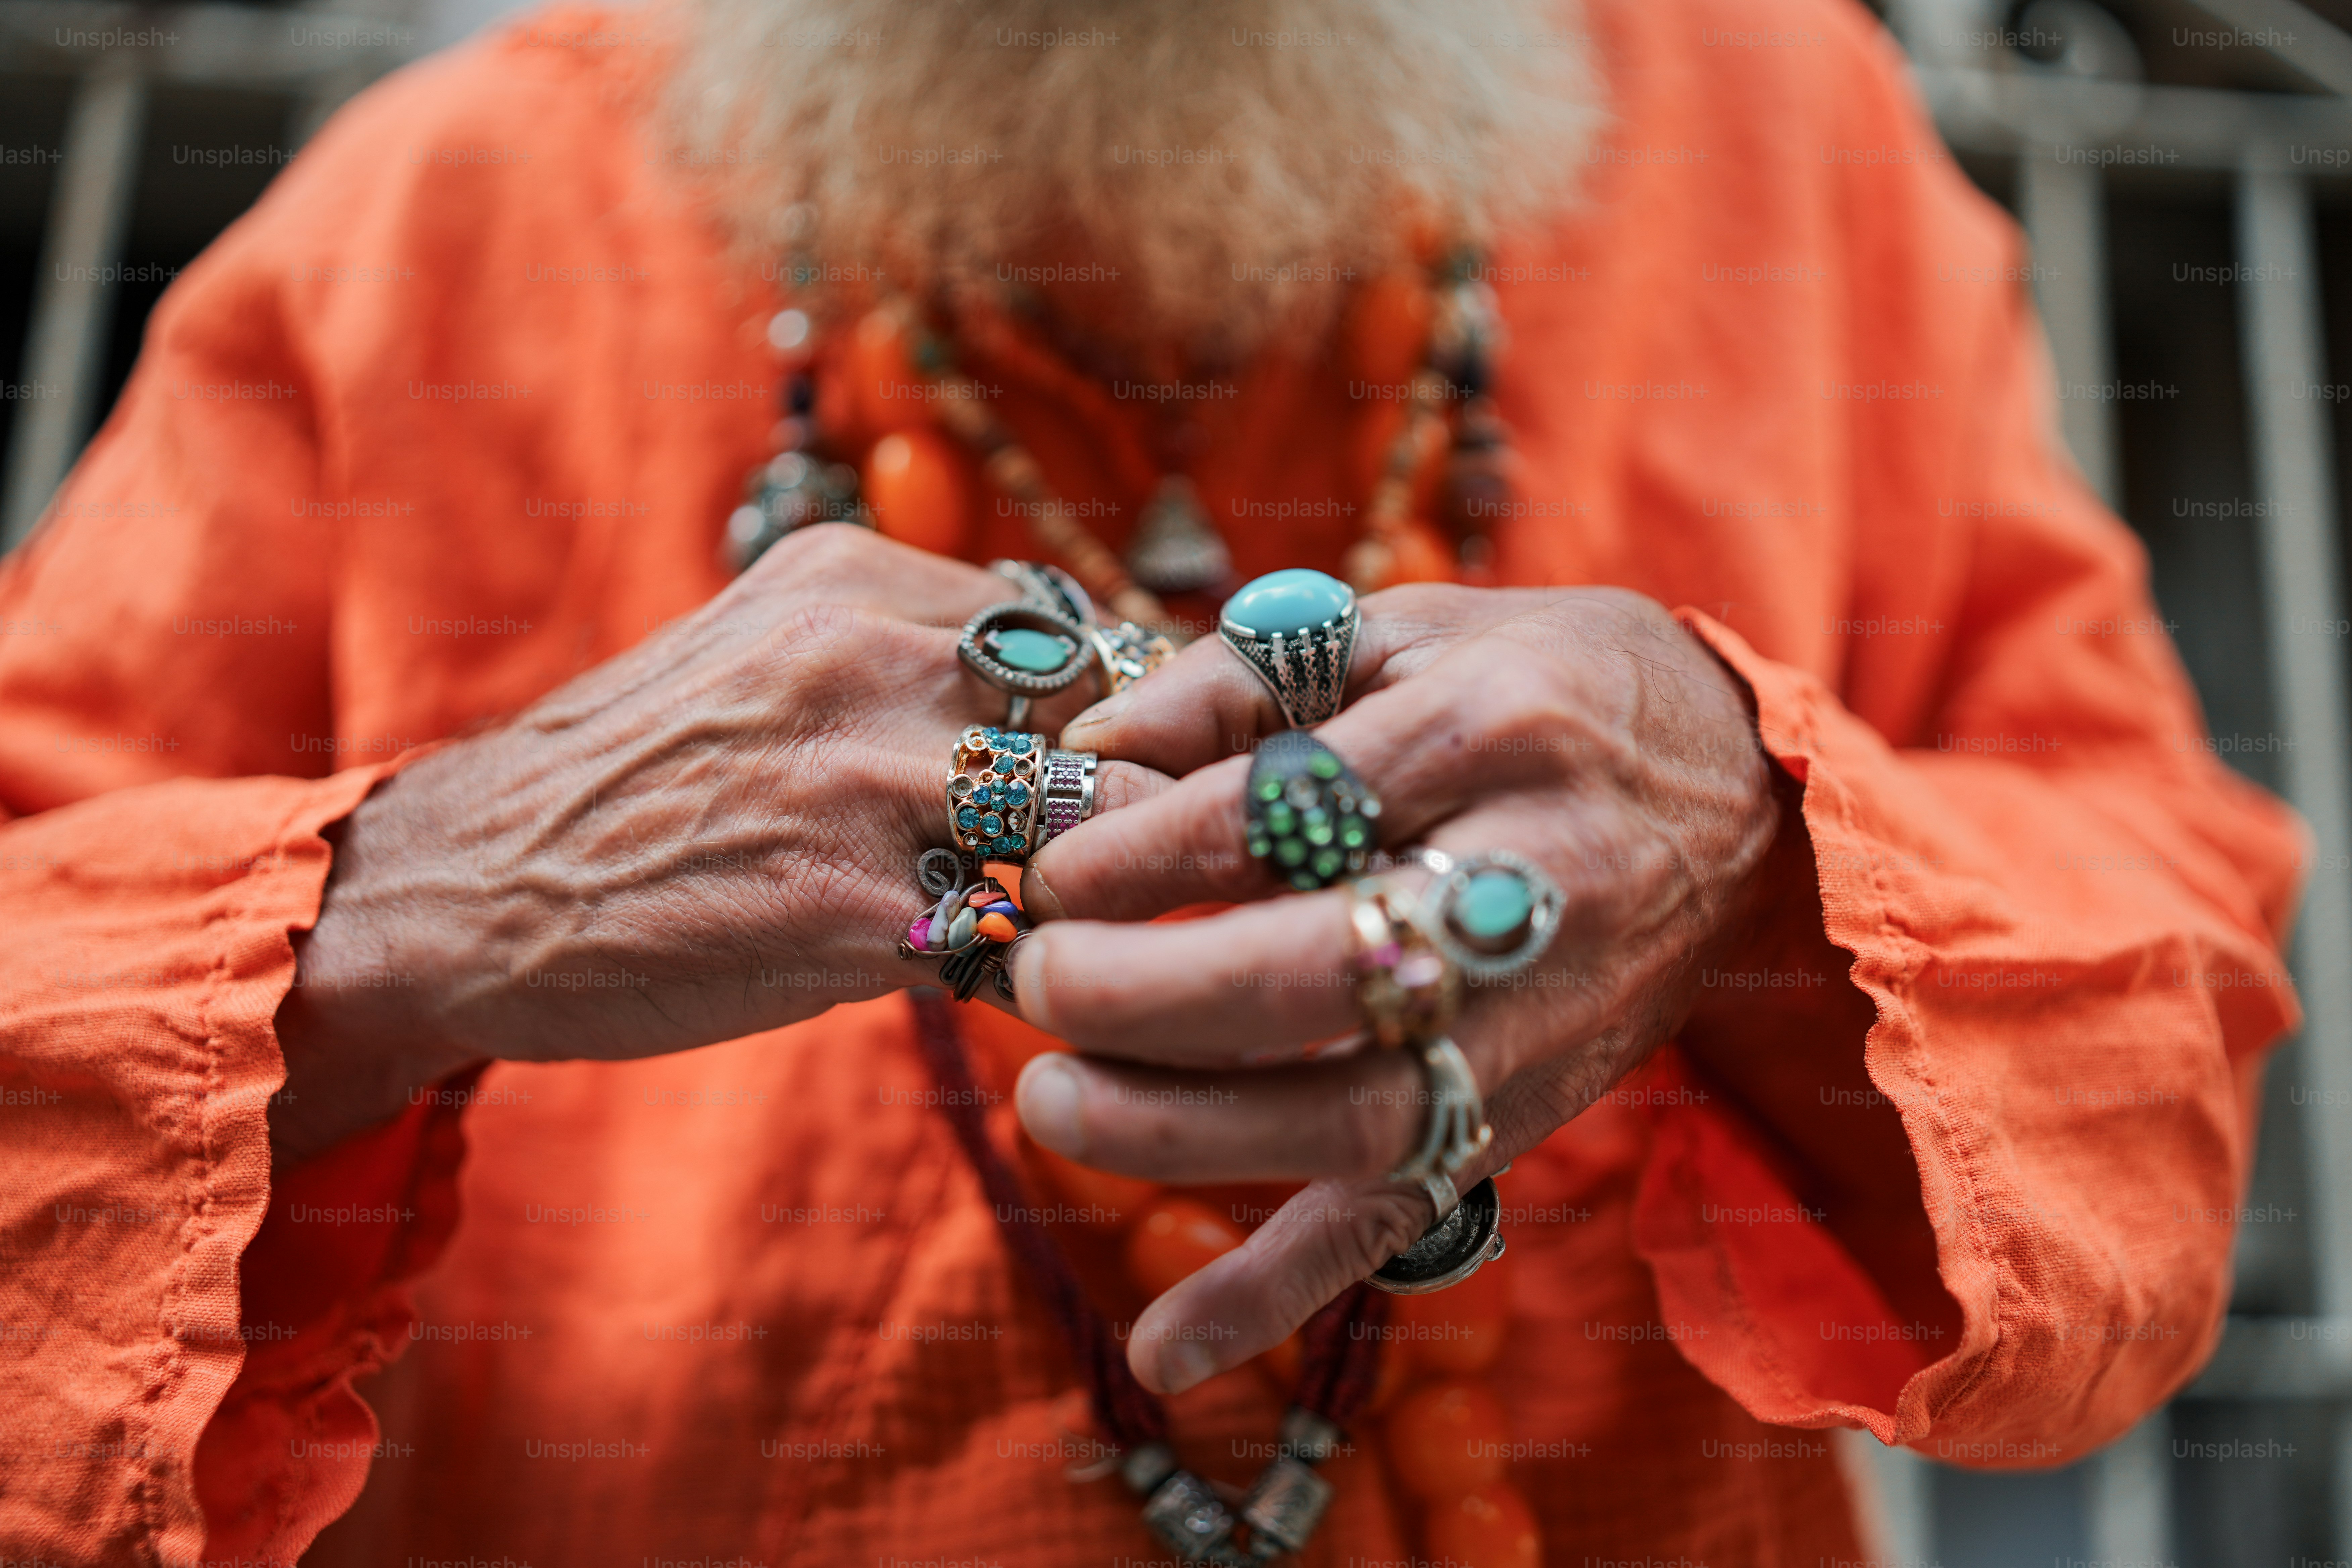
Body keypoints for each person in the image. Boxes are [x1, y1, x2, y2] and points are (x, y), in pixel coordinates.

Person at [0, 0, 2304, 1563]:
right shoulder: (432, 227)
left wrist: (1767, 851)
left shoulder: (1790, 143)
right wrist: (409, 899)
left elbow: (2159, 1001)